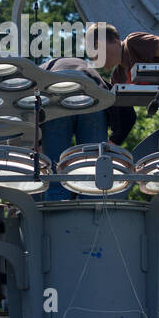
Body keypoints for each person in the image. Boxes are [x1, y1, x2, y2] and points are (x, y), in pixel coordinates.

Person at [38, 24, 122, 201]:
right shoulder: (90, 72)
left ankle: (56, 222)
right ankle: (93, 220)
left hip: (55, 105)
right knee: (94, 177)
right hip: (91, 100)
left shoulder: (47, 68)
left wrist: (37, 140)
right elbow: (127, 113)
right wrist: (114, 140)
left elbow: (33, 103)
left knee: (55, 177)